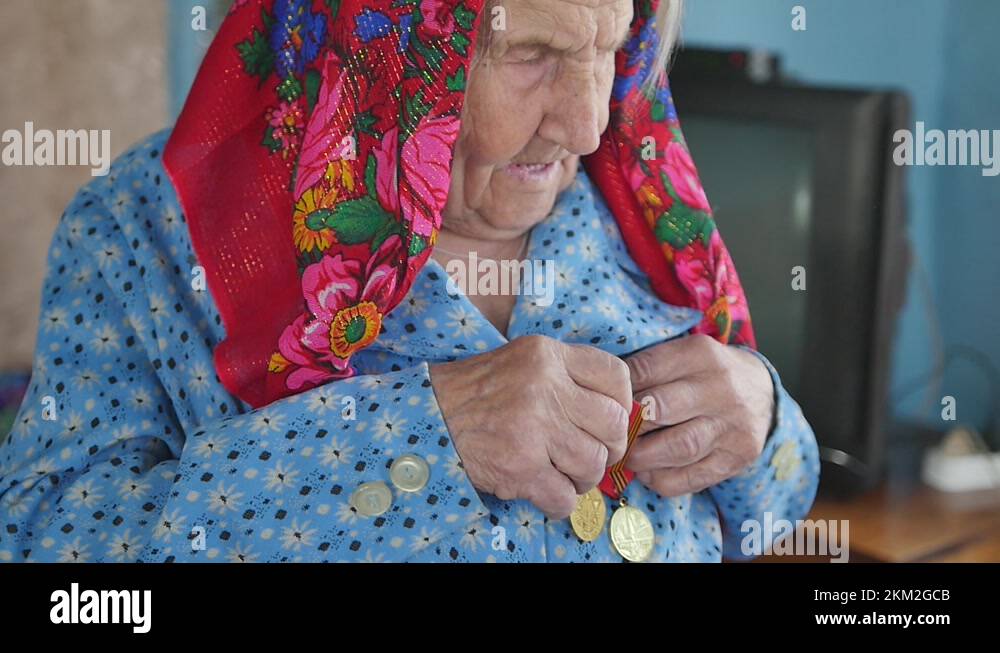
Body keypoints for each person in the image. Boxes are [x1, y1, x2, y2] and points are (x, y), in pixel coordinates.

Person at [0, 0, 819, 563]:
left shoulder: (639, 191)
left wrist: (765, 419)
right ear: (381, 41)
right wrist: (416, 441)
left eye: (611, 45)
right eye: (533, 54)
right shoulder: (148, 230)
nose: (588, 119)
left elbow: (772, 502)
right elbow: (51, 556)